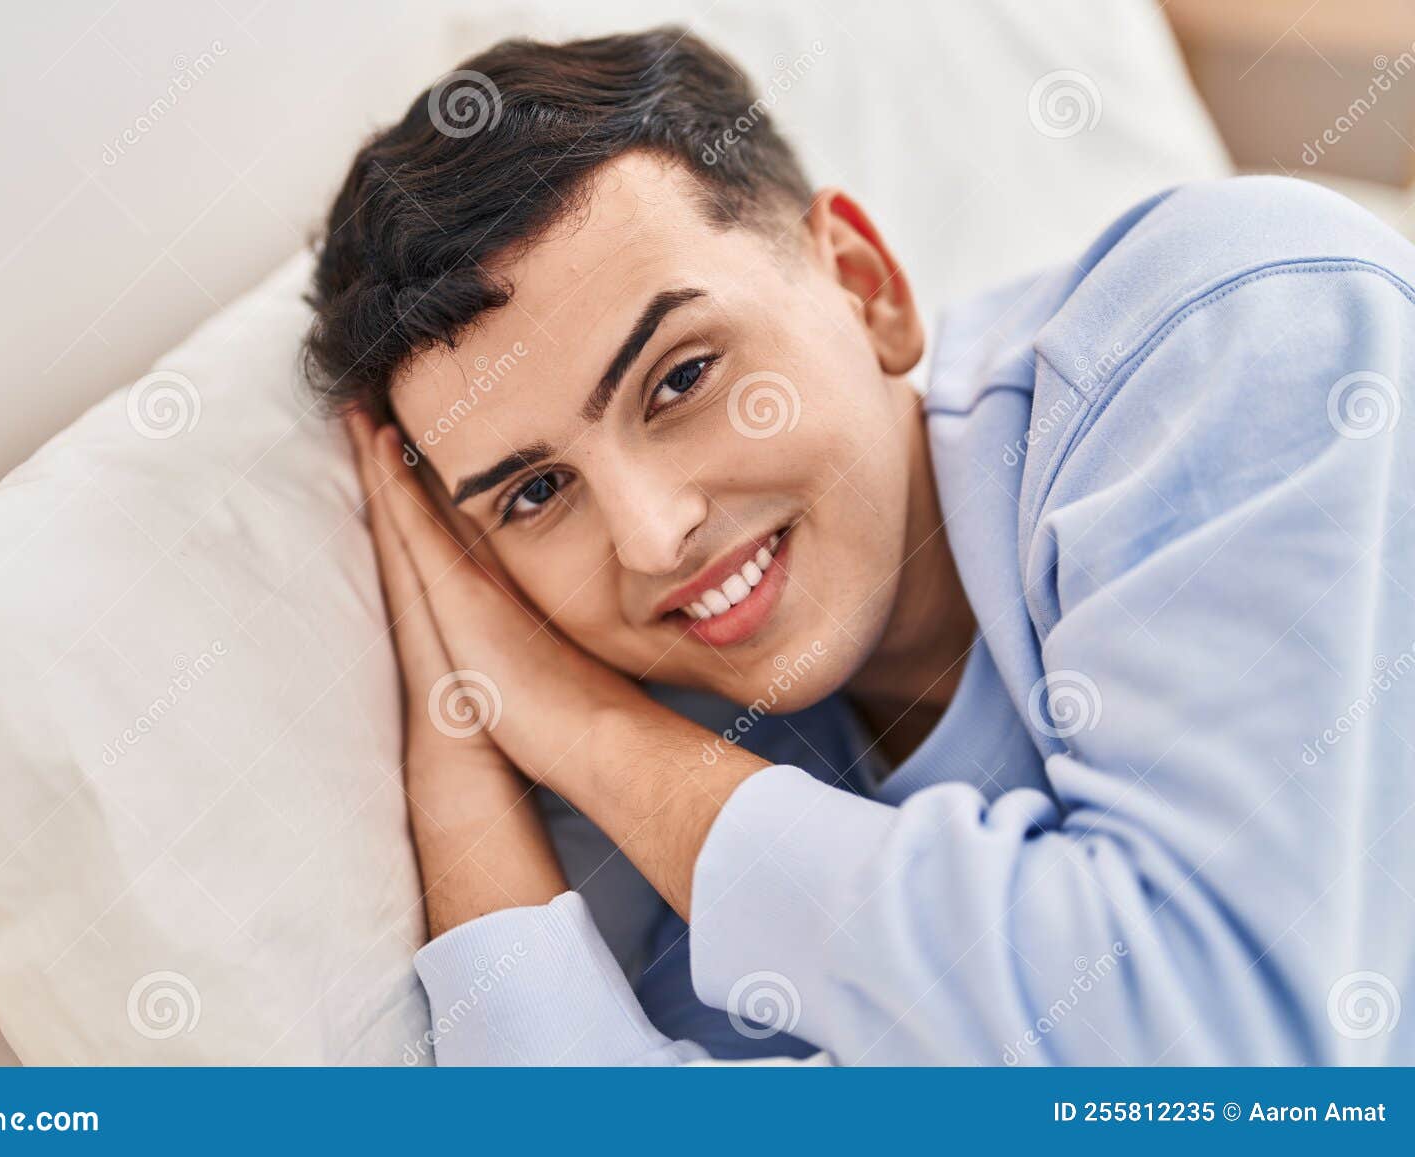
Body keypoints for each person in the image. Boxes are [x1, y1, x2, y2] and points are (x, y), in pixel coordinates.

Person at [306, 27, 1415, 1064]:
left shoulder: (1229, 321)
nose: (652, 535)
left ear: (864, 285)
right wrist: (459, 773)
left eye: (682, 377)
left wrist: (586, 730)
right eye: (539, 492)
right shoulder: (738, 861)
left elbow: (1249, 1059)